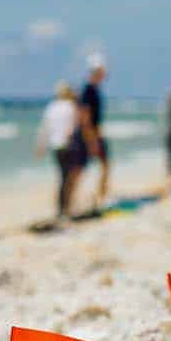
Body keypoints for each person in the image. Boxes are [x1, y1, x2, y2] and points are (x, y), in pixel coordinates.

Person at [35, 81, 82, 218]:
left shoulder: (51, 107)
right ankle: (65, 208)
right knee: (68, 177)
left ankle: (61, 208)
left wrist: (41, 146)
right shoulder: (70, 106)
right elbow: (72, 127)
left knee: (62, 176)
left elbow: (45, 128)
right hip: (68, 145)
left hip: (55, 146)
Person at [79, 53, 109, 208]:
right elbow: (85, 117)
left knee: (104, 165)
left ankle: (100, 197)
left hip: (96, 134)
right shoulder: (88, 90)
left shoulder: (95, 89)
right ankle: (91, 200)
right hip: (90, 136)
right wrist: (92, 140)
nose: (105, 74)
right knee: (81, 170)